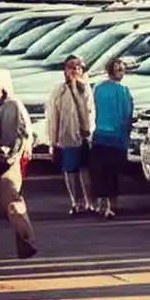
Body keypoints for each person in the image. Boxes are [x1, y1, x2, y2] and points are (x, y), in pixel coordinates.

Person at [0, 69, 37, 259]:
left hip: (9, 161)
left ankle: (28, 240)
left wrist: (9, 155)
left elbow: (23, 135)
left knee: (12, 201)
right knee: (0, 207)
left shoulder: (12, 105)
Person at [46, 55, 96, 216]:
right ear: (65, 70)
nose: (74, 70)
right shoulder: (59, 90)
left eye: (78, 67)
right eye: (71, 67)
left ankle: (90, 202)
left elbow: (91, 111)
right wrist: (53, 141)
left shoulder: (86, 88)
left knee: (85, 169)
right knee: (70, 170)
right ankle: (76, 202)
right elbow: (53, 116)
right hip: (67, 135)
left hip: (85, 136)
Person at [92, 58, 135, 219]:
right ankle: (111, 204)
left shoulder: (98, 88)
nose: (122, 73)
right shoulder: (123, 90)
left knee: (99, 172)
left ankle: (101, 204)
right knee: (112, 173)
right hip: (116, 137)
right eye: (120, 70)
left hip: (99, 136)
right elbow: (127, 115)